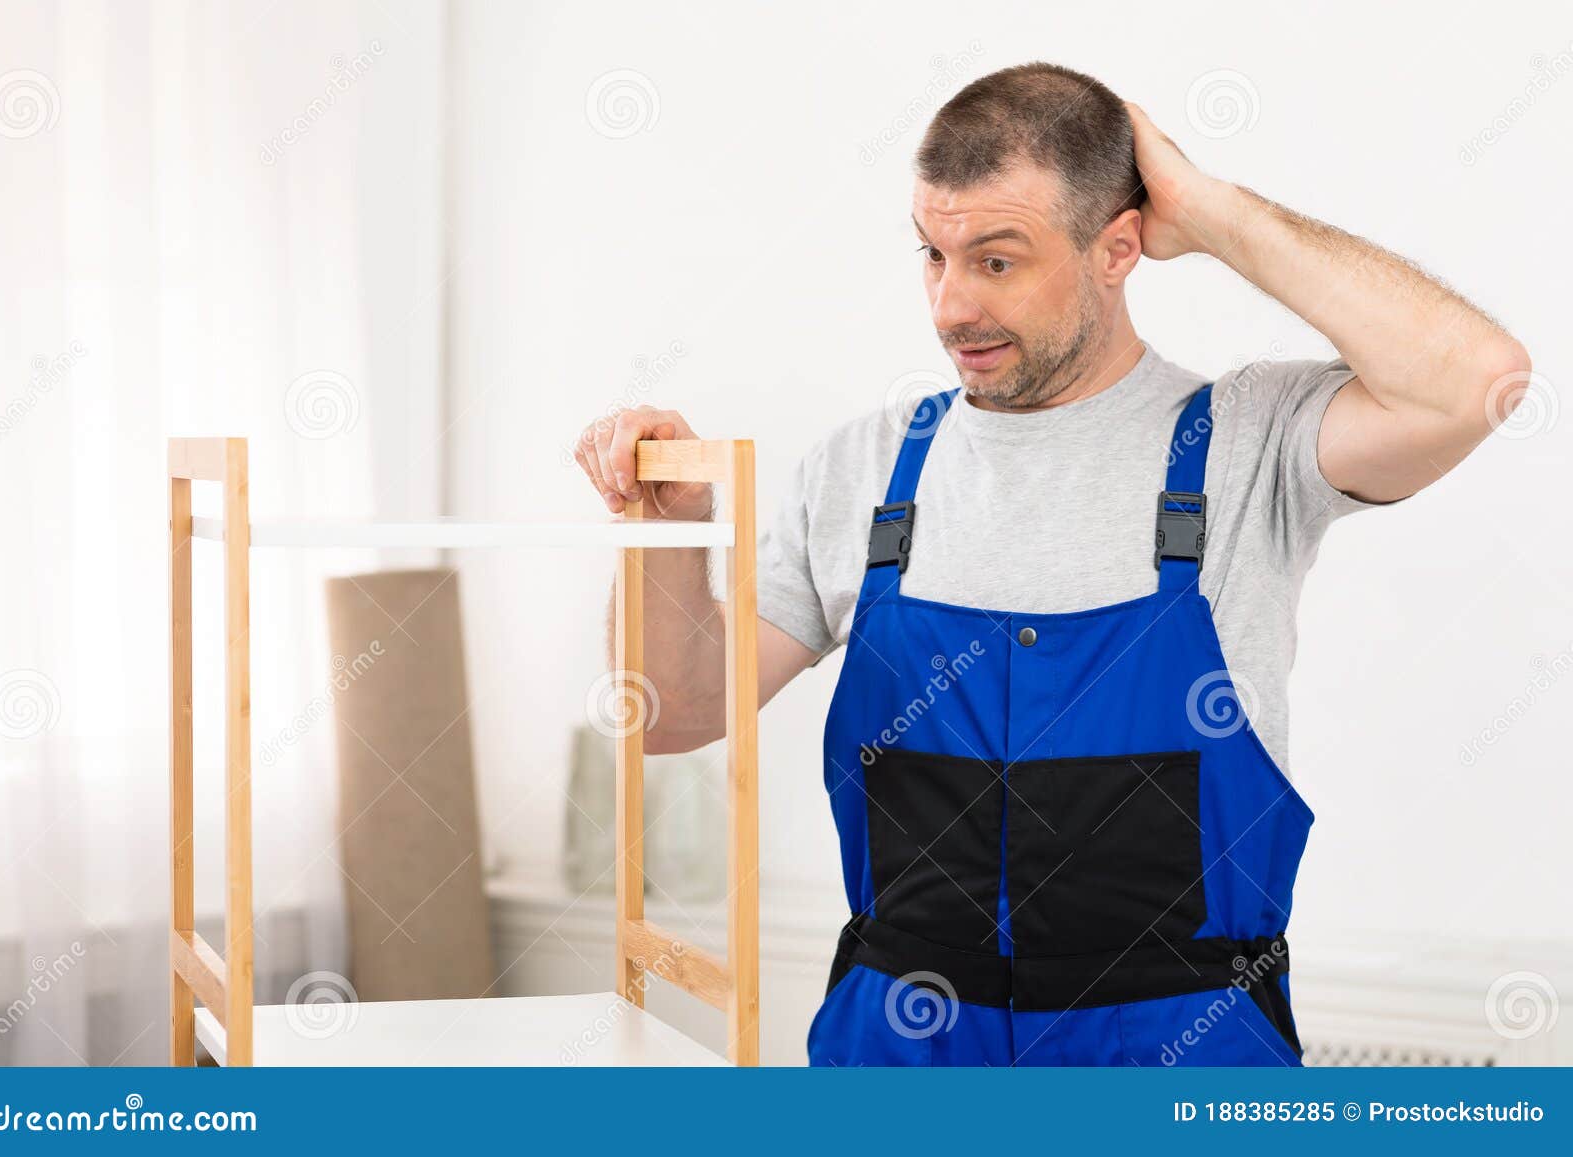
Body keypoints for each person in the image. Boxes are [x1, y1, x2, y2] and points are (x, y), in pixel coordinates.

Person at [571, 62, 1530, 1066]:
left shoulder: (1251, 445)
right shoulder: (864, 471)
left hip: (1177, 1059)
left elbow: (1476, 381)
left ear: (1118, 247)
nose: (949, 307)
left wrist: (1209, 211)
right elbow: (671, 716)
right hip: (898, 1058)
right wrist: (668, 534)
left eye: (996, 260)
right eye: (933, 256)